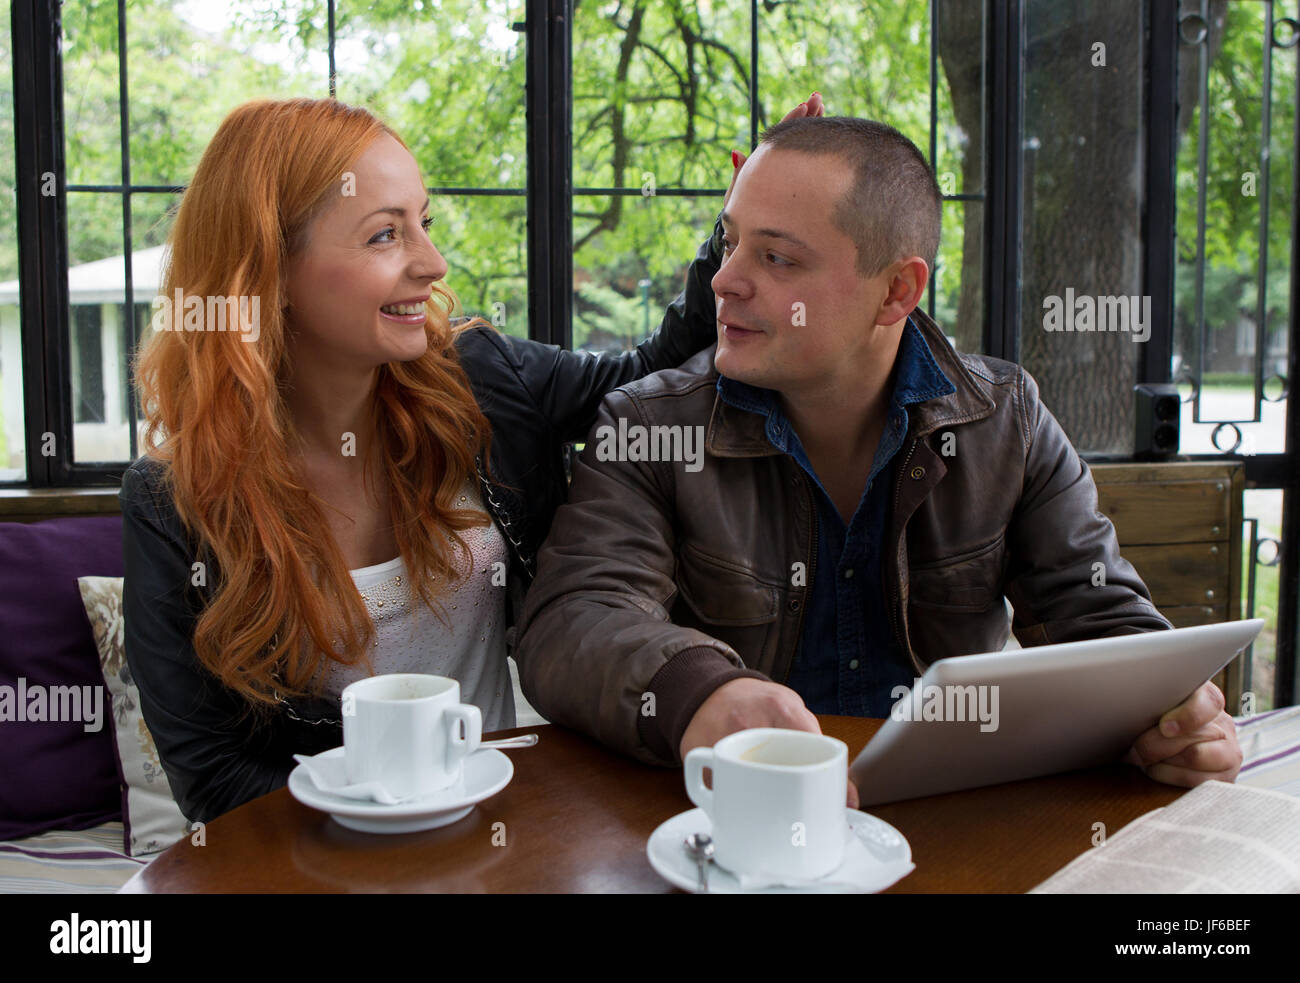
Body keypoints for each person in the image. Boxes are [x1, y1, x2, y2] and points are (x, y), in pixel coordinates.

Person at [120, 95, 818, 823]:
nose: (432, 263)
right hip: (331, 864)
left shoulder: (483, 381)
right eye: (385, 235)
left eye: (424, 223)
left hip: (511, 832)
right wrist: (395, 828)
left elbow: (647, 375)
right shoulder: (172, 501)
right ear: (269, 271)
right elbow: (213, 778)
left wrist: (739, 225)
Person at [513, 115, 1243, 802]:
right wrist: (698, 692)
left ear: (897, 290)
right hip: (739, 821)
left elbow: (1102, 614)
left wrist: (1174, 718)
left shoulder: (1004, 418)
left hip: (954, 826)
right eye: (730, 241)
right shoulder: (648, 422)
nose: (724, 279)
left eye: (776, 256)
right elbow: (573, 619)